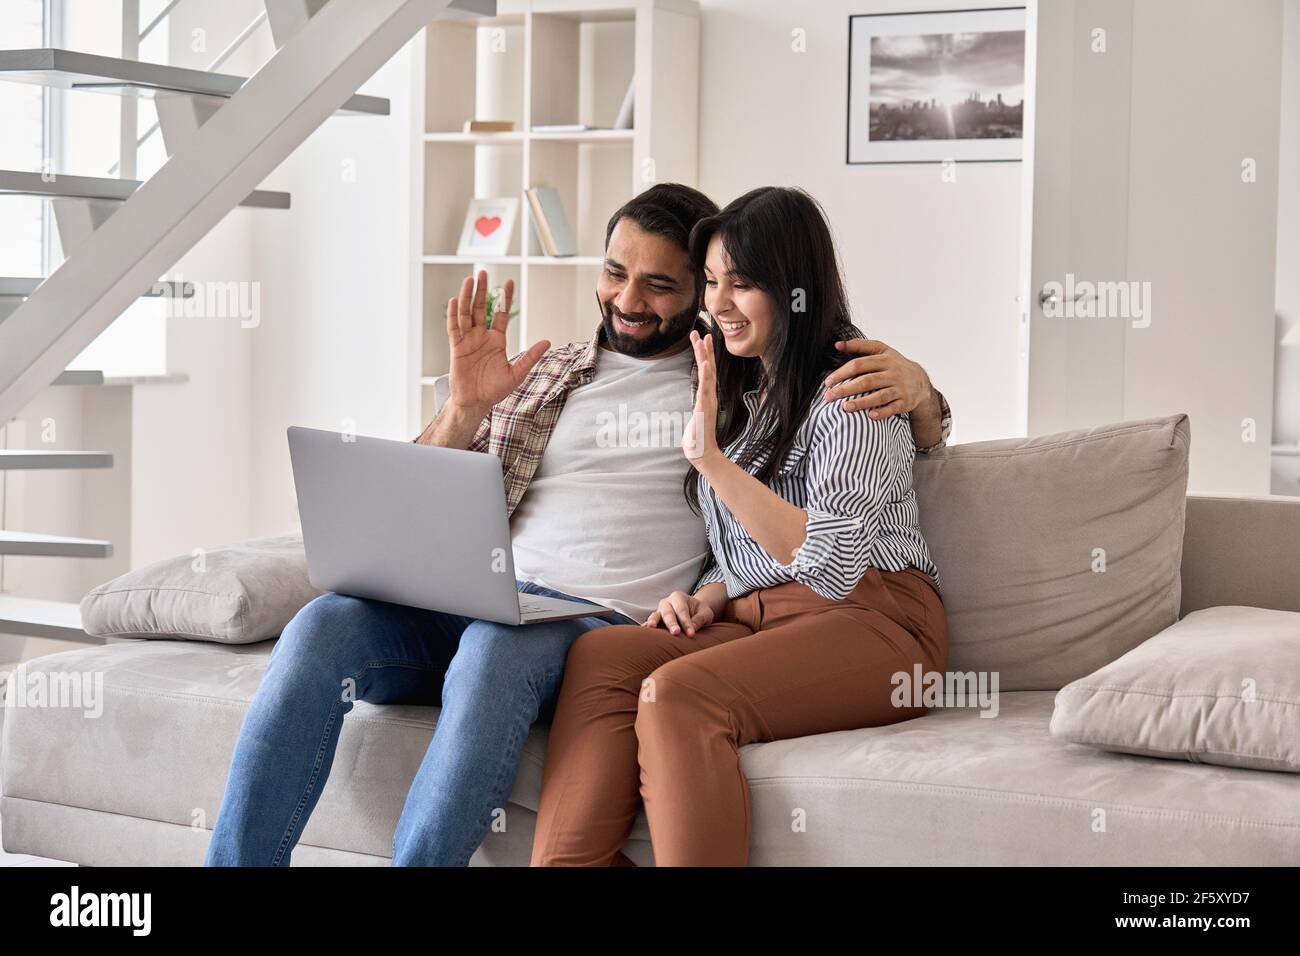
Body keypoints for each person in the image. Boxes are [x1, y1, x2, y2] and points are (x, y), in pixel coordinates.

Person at [204, 183, 952, 867]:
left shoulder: (731, 385)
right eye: (615, 273)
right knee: (322, 625)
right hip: (486, 596)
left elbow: (836, 416)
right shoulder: (544, 373)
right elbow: (406, 501)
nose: (628, 299)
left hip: (584, 619)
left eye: (661, 285)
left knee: (498, 654)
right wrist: (465, 408)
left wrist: (921, 393)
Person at [530, 186, 949, 867]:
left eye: (744, 285)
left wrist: (715, 467)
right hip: (761, 618)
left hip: (878, 622)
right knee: (605, 657)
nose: (719, 303)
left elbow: (834, 563)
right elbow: (744, 552)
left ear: (795, 291)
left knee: (676, 696)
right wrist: (708, 595)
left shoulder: (853, 389)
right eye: (713, 282)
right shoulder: (745, 389)